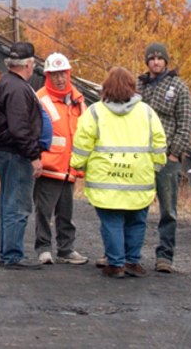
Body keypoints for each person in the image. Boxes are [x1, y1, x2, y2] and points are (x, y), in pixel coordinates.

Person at [70, 67, 167, 278]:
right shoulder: (147, 112)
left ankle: (115, 264)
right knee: (137, 220)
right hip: (139, 178)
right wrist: (157, 165)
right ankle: (132, 261)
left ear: (106, 88)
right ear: (132, 87)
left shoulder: (94, 112)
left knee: (111, 221)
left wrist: (77, 164)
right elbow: (159, 142)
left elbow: (82, 142)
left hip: (105, 179)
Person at [0, 41, 45, 270]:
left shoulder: (4, 83)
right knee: (17, 205)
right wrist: (34, 155)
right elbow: (20, 128)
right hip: (15, 153)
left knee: (9, 203)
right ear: (29, 64)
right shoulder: (18, 88)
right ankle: (12, 255)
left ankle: (9, 252)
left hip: (5, 151)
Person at [137, 42, 191, 273]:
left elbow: (186, 121)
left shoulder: (178, 86)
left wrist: (173, 154)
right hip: (140, 156)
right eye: (152, 58)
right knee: (135, 206)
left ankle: (165, 256)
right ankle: (132, 253)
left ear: (166, 61)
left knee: (168, 210)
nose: (156, 62)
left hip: (167, 157)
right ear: (147, 62)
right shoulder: (139, 86)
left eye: (160, 58)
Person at [33, 52, 89, 265]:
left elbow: (85, 130)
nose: (59, 78)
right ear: (47, 75)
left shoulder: (77, 99)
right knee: (44, 212)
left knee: (66, 213)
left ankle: (66, 249)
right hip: (48, 166)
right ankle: (44, 249)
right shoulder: (40, 98)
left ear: (69, 74)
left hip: (70, 167)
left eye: (62, 74)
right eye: (54, 74)